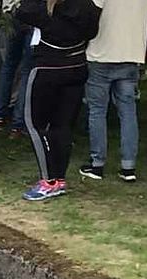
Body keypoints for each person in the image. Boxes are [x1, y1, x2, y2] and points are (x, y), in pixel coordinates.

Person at [17, 0, 103, 201]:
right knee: (63, 126)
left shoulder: (45, 7)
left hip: (48, 68)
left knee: (35, 125)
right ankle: (59, 179)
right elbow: (92, 32)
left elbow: (21, 11)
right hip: (76, 66)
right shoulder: (87, 6)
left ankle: (48, 181)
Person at [80, 0, 147, 183]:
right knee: (128, 112)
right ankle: (128, 166)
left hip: (101, 53)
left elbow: (91, 16)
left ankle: (97, 164)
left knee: (97, 111)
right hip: (131, 54)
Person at [0, 0, 33, 137]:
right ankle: (17, 123)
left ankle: (0, 116)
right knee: (26, 71)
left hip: (12, 12)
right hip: (33, 16)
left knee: (9, 66)